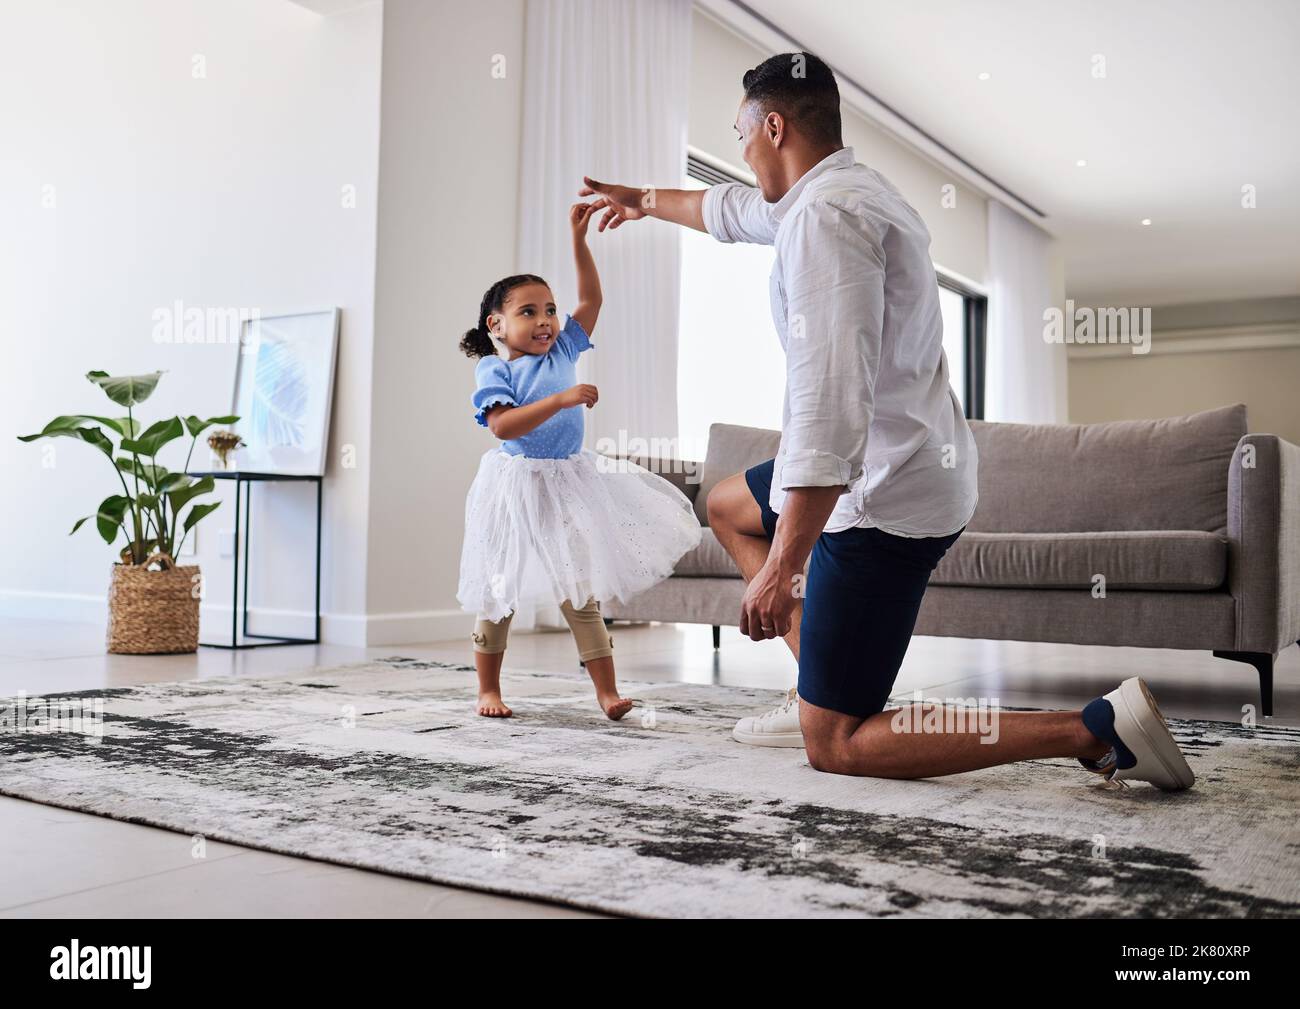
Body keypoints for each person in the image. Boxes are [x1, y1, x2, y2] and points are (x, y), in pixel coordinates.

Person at [578, 52, 1194, 789]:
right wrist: (641, 198)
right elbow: (729, 211)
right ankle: (821, 685)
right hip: (905, 460)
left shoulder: (827, 221)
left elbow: (829, 408)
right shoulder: (839, 191)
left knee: (836, 743)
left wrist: (780, 569)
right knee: (727, 506)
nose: (739, 150)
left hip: (881, 496)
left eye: (741, 134)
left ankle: (1090, 728)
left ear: (772, 126)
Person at [456, 200, 702, 721]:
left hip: (568, 478)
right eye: (528, 312)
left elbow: (592, 296)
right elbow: (503, 427)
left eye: (549, 309)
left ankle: (607, 692)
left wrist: (578, 238)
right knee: (499, 587)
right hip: (515, 483)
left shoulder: (564, 350)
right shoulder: (492, 371)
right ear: (496, 325)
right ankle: (488, 690)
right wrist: (559, 401)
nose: (545, 320)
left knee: (579, 588)